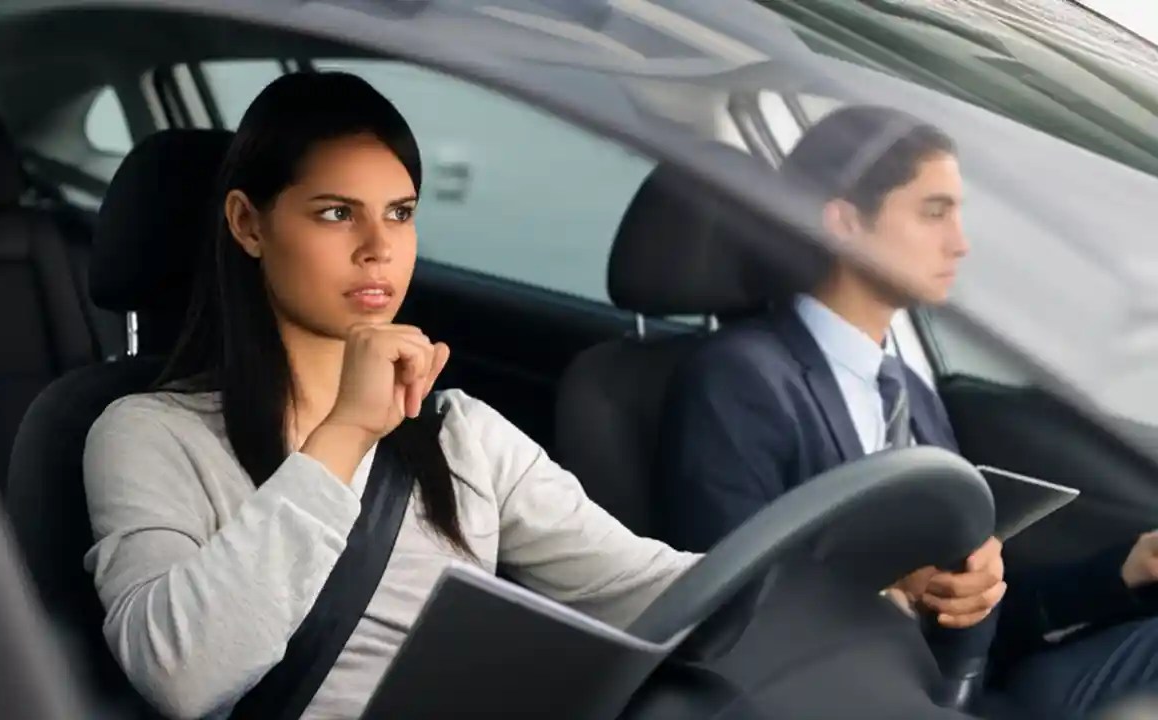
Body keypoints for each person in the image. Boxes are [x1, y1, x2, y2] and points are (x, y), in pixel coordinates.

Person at [80, 72, 701, 720]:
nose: (379, 249)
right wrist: (345, 434)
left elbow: (653, 592)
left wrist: (806, 564)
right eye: (337, 213)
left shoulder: (462, 434)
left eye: (400, 214)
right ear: (248, 225)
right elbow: (182, 675)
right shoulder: (148, 435)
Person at [655, 105, 1158, 718]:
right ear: (844, 223)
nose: (961, 242)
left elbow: (971, 610)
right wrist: (891, 591)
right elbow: (725, 612)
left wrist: (1126, 570)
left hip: (961, 685)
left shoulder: (909, 392)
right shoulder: (743, 380)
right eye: (934, 211)